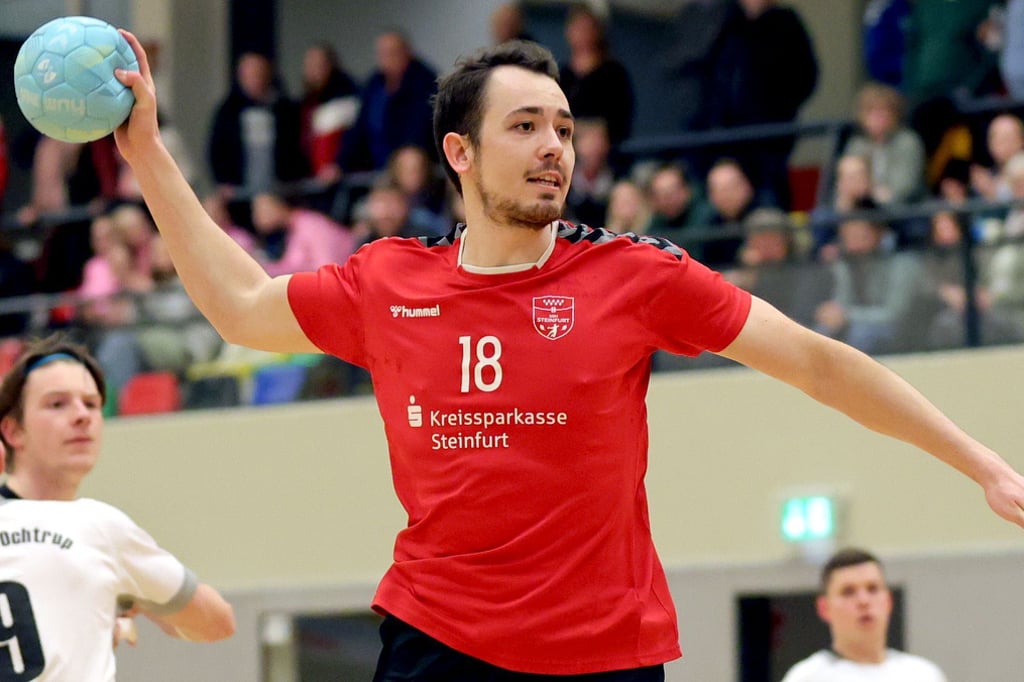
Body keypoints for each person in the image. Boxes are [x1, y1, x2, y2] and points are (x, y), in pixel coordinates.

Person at [113, 35, 1024, 681]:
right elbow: (240, 306)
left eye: (562, 127)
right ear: (459, 152)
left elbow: (819, 364)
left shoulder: (634, 275)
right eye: (525, 127)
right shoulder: (387, 282)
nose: (554, 146)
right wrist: (150, 153)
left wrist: (981, 463)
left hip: (606, 654)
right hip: (437, 642)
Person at [0, 336, 235, 679]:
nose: (81, 416)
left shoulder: (99, 540)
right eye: (57, 404)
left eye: (92, 404)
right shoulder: (100, 530)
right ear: (12, 430)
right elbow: (216, 622)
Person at [780, 547, 947, 681]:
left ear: (888, 601)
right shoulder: (806, 677)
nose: (863, 601)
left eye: (872, 589)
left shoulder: (924, 674)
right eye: (848, 592)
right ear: (824, 608)